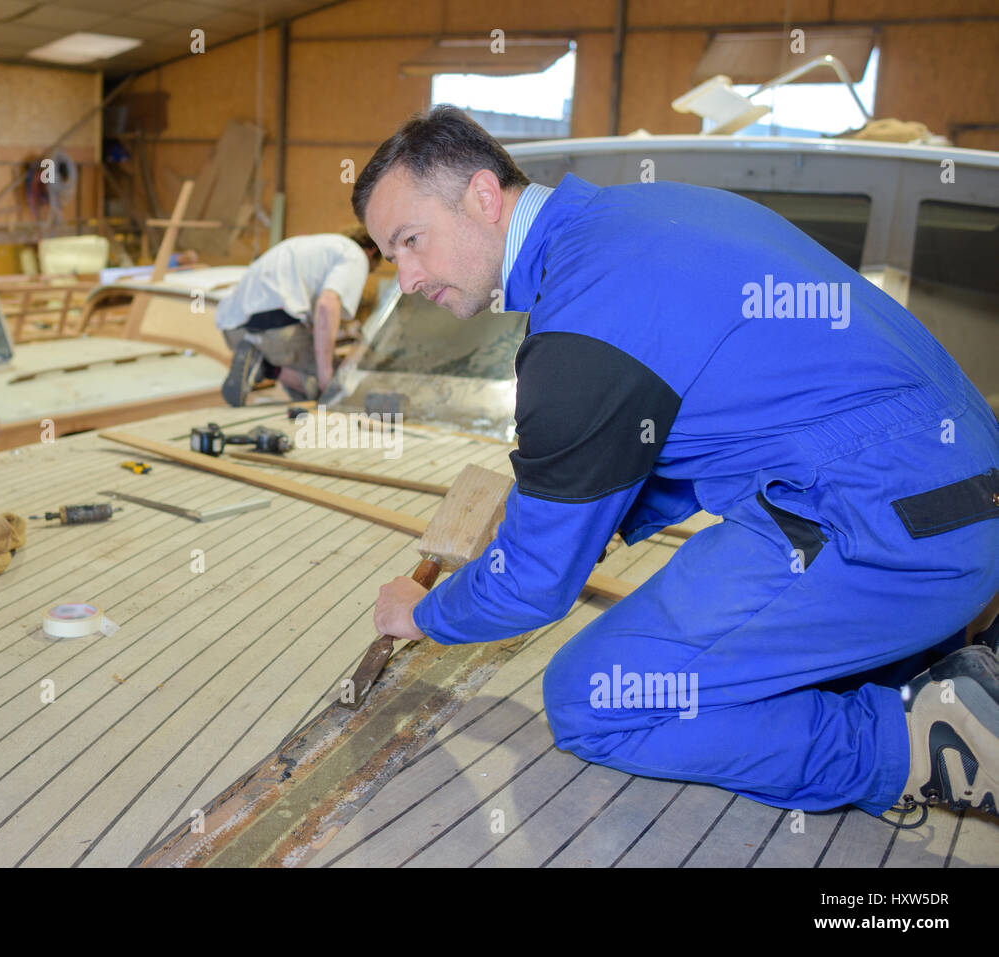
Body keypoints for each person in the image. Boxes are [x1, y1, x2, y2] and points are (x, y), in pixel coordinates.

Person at [357, 105, 999, 825]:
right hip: (955, 505)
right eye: (390, 256)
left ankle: (926, 740)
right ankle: (914, 666)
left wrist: (427, 614)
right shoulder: (635, 217)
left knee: (595, 698)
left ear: (481, 195)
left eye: (411, 240)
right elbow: (704, 428)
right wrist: (587, 516)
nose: (407, 276)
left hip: (884, 533)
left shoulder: (579, 320)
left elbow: (535, 587)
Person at [215, 226, 381, 405]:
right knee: (340, 385)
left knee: (308, 380)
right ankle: (264, 367)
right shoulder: (355, 255)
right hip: (273, 329)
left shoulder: (312, 245)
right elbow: (326, 306)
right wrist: (326, 374)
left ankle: (262, 363)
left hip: (234, 329)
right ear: (372, 251)